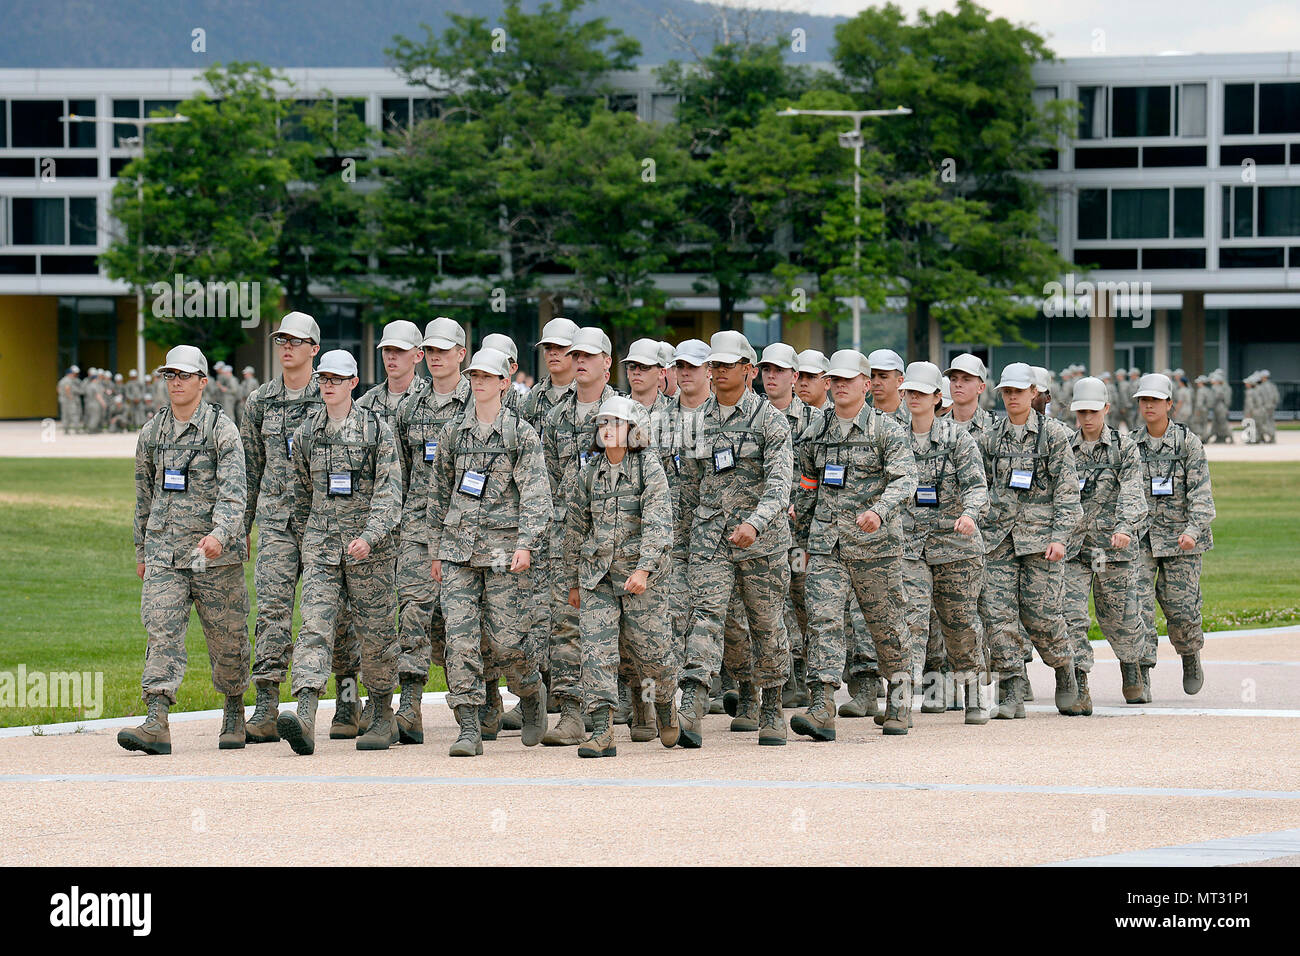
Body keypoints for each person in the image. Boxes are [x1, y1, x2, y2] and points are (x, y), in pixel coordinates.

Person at [118, 346, 250, 755]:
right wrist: (142, 550)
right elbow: (143, 495)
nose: (175, 382)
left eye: (184, 375)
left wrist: (221, 534)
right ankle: (156, 718)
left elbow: (235, 494)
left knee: (227, 638)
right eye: (169, 375)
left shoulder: (221, 430)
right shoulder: (152, 432)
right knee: (161, 631)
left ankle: (233, 708)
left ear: (201, 382)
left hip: (211, 554)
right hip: (164, 553)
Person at [278, 349, 404, 755]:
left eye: (336, 379)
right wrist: (308, 537)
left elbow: (389, 492)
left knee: (377, 635)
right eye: (323, 379)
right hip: (321, 547)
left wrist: (370, 535)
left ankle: (382, 714)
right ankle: (305, 713)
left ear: (354, 383)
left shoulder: (377, 430)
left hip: (370, 552)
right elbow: (299, 490)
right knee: (314, 627)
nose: (327, 385)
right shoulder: (308, 430)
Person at [429, 348, 552, 756]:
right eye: (474, 375)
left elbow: (537, 495)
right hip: (458, 551)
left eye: (487, 376)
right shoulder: (453, 433)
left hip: (503, 553)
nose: (479, 381)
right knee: (460, 640)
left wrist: (526, 544)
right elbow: (437, 494)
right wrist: (435, 550)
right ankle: (468, 725)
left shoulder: (520, 434)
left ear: (504, 382)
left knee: (506, 642)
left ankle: (531, 691)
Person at [788, 349, 916, 739]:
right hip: (828, 545)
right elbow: (807, 486)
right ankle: (821, 705)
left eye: (849, 379)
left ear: (866, 384)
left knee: (886, 625)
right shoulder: (816, 433)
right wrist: (804, 538)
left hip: (875, 548)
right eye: (835, 379)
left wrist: (879, 511)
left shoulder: (886, 430)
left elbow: (905, 480)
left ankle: (899, 698)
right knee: (824, 621)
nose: (841, 386)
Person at [675, 330, 794, 747]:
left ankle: (772, 706)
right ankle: (691, 702)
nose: (720, 371)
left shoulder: (770, 420)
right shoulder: (695, 422)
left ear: (749, 370)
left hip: (762, 542)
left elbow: (781, 483)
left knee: (765, 623)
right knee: (705, 615)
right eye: (715, 365)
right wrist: (684, 539)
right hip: (711, 540)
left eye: (728, 364)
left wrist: (756, 523)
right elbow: (687, 487)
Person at [565, 396, 680, 756]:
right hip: (597, 578)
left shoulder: (649, 468)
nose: (606, 430)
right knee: (596, 652)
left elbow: (660, 524)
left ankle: (662, 702)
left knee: (652, 656)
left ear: (633, 430)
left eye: (614, 423)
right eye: (602, 424)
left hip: (640, 578)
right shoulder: (588, 472)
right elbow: (574, 528)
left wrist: (644, 569)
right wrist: (572, 581)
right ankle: (602, 731)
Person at [333, 319, 429, 737]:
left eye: (399, 350)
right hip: (369, 527)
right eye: (386, 350)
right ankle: (353, 704)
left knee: (413, 614)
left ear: (417, 356)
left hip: (419, 523)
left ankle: (408, 706)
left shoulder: (432, 402)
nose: (391, 357)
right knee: (359, 619)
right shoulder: (367, 403)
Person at [975, 363, 1082, 719]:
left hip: (1041, 540)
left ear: (1034, 393)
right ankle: (1011, 689)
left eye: (1018, 392)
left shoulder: (1053, 435)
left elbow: (1067, 493)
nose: (1011, 398)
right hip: (998, 540)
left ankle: (1065, 668)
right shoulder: (990, 437)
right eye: (1006, 392)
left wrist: (1060, 537)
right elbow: (980, 486)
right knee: (998, 615)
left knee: (1042, 616)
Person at [239, 312, 324, 744]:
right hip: (275, 522)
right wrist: (242, 527)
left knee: (326, 615)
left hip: (322, 525)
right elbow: (250, 470)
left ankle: (346, 703)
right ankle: (267, 704)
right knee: (272, 611)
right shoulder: (259, 402)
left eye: (296, 340)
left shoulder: (330, 396)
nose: (286, 347)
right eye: (280, 340)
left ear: (314, 348)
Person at [390, 317, 472, 744]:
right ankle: (410, 707)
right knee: (413, 614)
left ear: (461, 354)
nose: (437, 357)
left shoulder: (479, 402)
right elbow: (399, 473)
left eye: (445, 350)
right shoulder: (410, 408)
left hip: (469, 529)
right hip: (420, 528)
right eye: (431, 350)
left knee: (469, 622)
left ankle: (486, 704)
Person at [895, 361, 990, 725]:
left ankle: (973, 693)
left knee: (960, 624)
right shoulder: (893, 435)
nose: (914, 397)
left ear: (938, 397)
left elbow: (977, 486)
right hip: (909, 546)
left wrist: (970, 513)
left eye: (922, 392)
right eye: (910, 392)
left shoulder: (956, 438)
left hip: (956, 546)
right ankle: (901, 702)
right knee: (910, 621)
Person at [540, 327, 620, 745]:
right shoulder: (555, 418)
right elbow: (549, 479)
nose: (581, 361)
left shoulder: (625, 415)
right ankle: (571, 714)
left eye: (590, 356)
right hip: (567, 538)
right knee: (566, 625)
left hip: (614, 537)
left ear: (608, 361)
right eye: (577, 355)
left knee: (619, 628)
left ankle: (636, 703)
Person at [1062, 377, 1149, 713]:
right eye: (1081, 411)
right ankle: (1080, 683)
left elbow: (1132, 490)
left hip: (1113, 548)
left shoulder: (1124, 448)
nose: (1086, 418)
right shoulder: (1065, 448)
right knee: (1071, 616)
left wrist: (1125, 526)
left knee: (1120, 618)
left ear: (1106, 410)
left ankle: (1131, 665)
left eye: (1093, 411)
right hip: (1075, 550)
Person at [1131, 372, 1215, 702]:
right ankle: (1142, 671)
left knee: (1181, 609)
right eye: (1143, 400)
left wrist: (1193, 531)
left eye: (1155, 400)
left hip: (1182, 539)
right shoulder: (1131, 445)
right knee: (1137, 608)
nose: (1148, 405)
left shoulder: (1187, 443)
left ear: (1170, 404)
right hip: (1142, 538)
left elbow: (1201, 493)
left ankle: (1190, 654)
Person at [867, 348, 909, 427]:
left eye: (883, 377)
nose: (876, 382)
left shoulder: (915, 420)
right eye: (872, 376)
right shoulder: (862, 420)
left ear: (899, 381)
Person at [58, 366, 83, 434]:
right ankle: (77, 430)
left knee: (65, 415)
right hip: (69, 401)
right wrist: (70, 397)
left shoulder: (62, 380)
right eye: (73, 374)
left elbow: (57, 389)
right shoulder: (68, 380)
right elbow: (67, 388)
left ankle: (66, 430)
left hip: (63, 400)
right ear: (70, 373)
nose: (74, 375)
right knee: (74, 414)